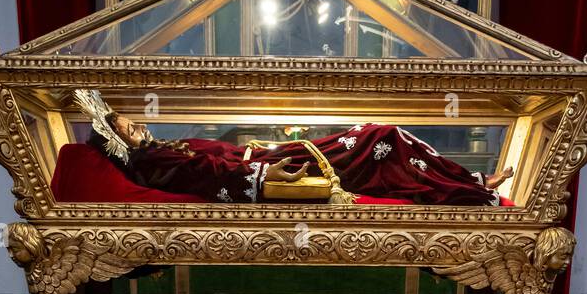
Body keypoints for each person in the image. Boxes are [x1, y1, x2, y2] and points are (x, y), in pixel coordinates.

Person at [80, 92, 514, 206]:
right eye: (126, 128)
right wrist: (267, 176)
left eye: (130, 121)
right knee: (382, 138)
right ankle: (472, 186)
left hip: (278, 157)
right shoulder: (151, 159)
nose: (136, 124)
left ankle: (471, 183)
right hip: (280, 165)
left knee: (383, 140)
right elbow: (207, 175)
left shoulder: (158, 148)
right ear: (118, 141)